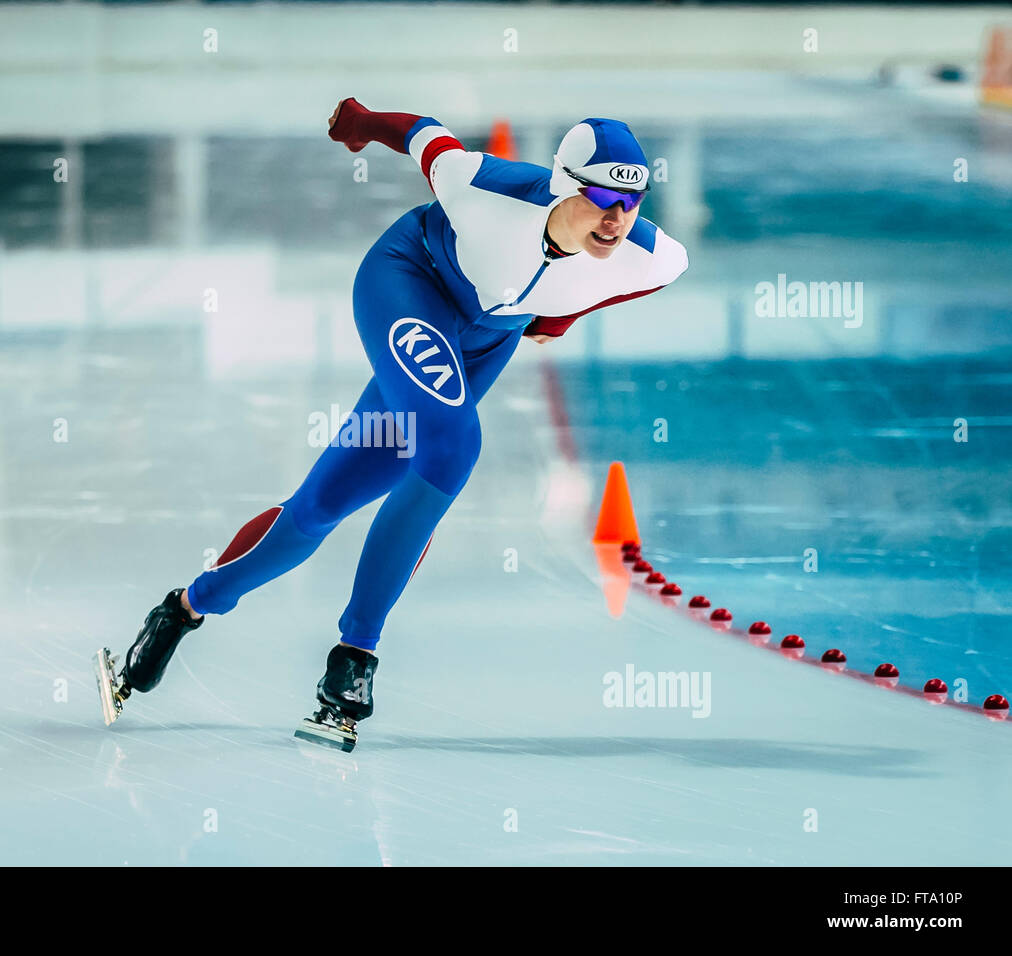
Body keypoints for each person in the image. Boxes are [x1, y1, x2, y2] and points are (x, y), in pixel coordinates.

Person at [96, 98, 689, 750]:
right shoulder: (484, 191)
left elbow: (643, 276)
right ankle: (354, 661)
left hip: (485, 340)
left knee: (321, 506)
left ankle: (182, 609)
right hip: (409, 281)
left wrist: (563, 314)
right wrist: (362, 121)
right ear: (563, 184)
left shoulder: (651, 254)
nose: (617, 217)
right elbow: (425, 138)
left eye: (632, 201)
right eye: (603, 195)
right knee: (451, 447)